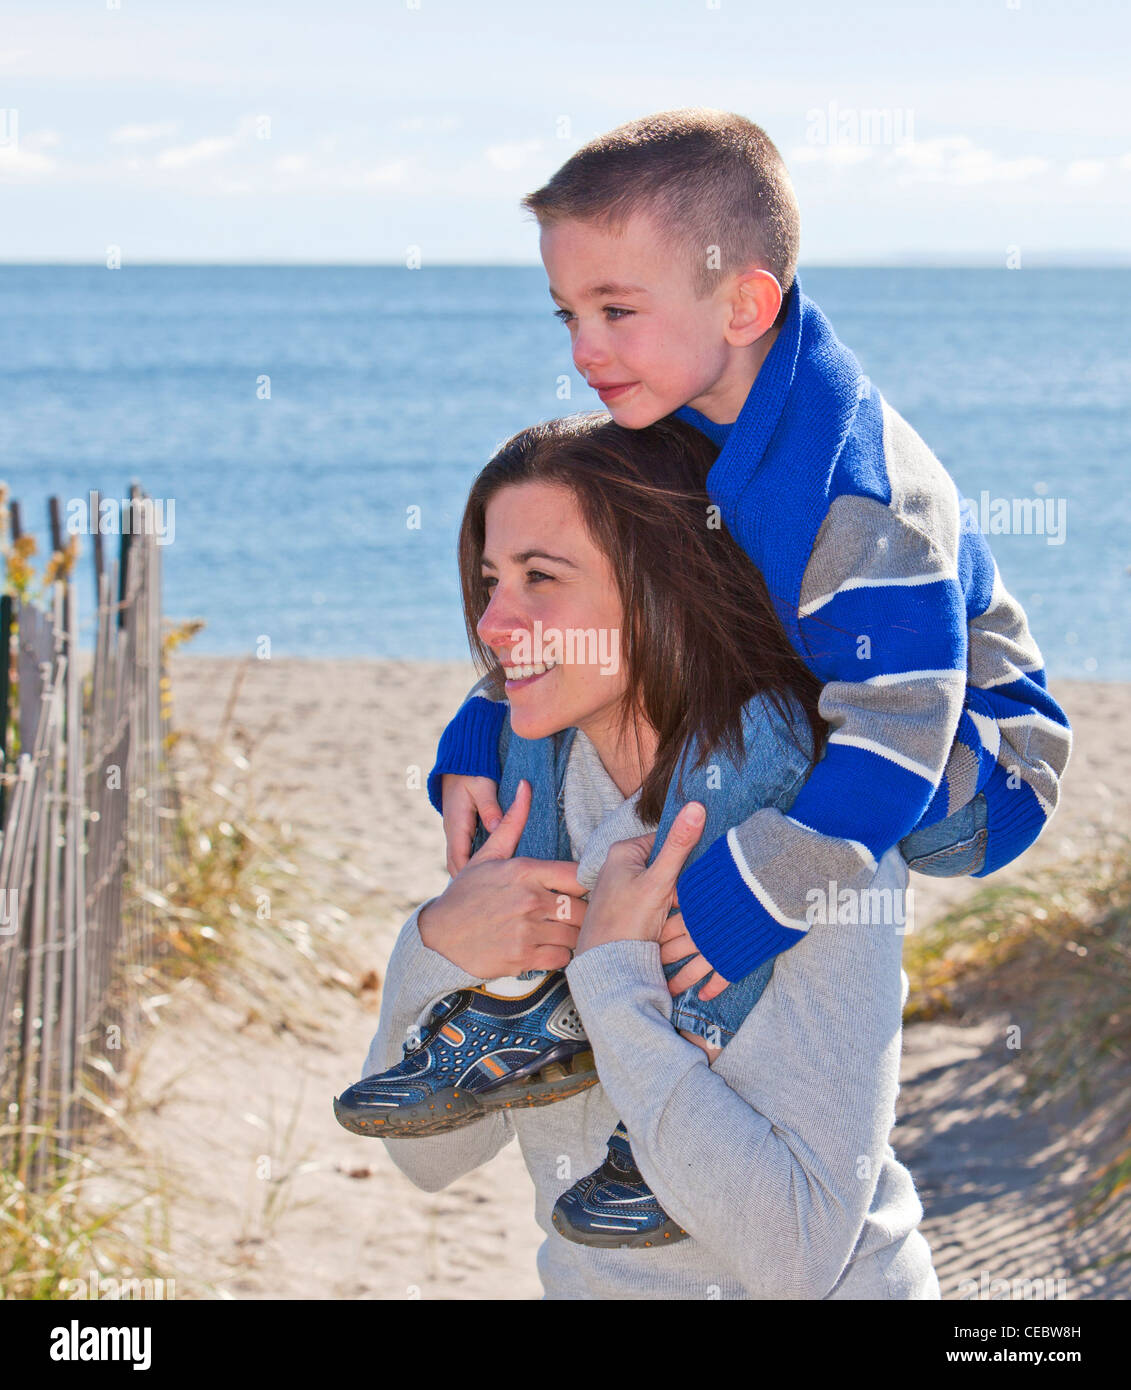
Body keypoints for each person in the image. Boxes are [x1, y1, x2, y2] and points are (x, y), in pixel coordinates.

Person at [429, 108, 1072, 997]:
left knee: (756, 746)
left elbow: (898, 730)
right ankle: (537, 992)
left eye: (616, 310)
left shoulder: (860, 498)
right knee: (613, 662)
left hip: (973, 770)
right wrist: (483, 728)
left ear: (742, 305)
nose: (583, 350)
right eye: (568, 313)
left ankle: (686, 1015)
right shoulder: (679, 397)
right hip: (841, 685)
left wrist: (760, 897)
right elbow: (600, 608)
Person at [337, 413, 939, 1297]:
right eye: (489, 581)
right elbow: (432, 1162)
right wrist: (434, 948)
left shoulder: (805, 842)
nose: (495, 622)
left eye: (540, 577)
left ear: (665, 586)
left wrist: (613, 982)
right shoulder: (519, 798)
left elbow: (798, 1249)